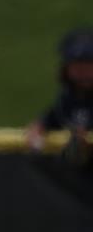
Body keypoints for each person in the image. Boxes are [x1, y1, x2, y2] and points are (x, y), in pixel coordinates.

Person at [25, 26, 93, 165]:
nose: (83, 73)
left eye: (89, 66)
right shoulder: (69, 98)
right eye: (78, 67)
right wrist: (37, 131)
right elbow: (49, 120)